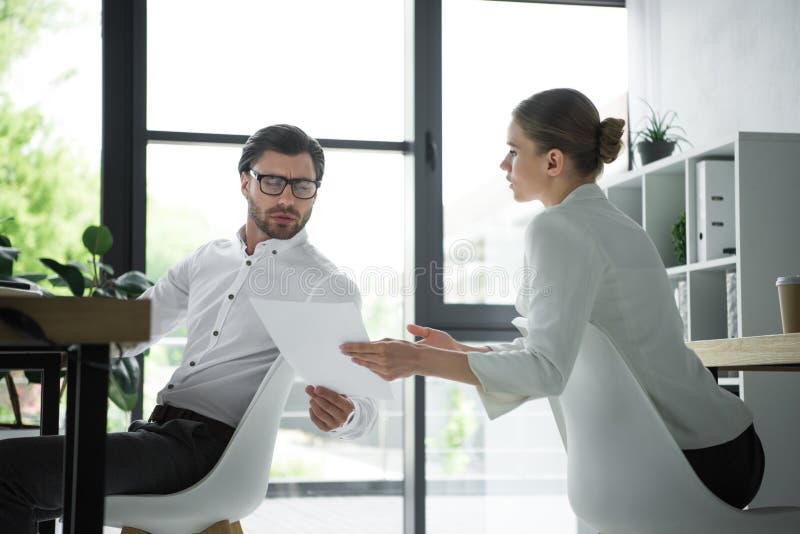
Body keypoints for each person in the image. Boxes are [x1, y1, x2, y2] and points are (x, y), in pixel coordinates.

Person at [341, 88, 764, 509]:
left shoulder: (557, 228)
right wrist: (463, 351)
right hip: (722, 448)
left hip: (689, 460)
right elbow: (551, 350)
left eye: (512, 150)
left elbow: (545, 369)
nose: (503, 165)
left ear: (553, 161)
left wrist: (417, 360)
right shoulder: (612, 223)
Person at [0, 124, 378, 533]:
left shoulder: (324, 285)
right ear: (245, 183)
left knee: (8, 472)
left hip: (207, 453)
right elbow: (131, 331)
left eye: (302, 186)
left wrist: (347, 414)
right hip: (157, 436)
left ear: (315, 192)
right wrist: (44, 336)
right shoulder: (207, 260)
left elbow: (367, 406)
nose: (287, 197)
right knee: (20, 486)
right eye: (273, 182)